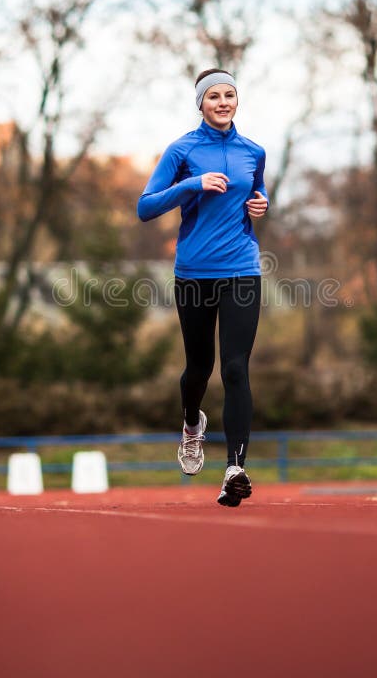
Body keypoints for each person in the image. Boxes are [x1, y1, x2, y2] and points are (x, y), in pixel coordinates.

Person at [137, 68, 269, 507]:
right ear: (200, 103)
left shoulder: (255, 151)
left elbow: (258, 190)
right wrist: (192, 184)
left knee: (235, 368)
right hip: (194, 273)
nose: (223, 102)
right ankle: (192, 426)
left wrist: (260, 202)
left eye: (229, 94)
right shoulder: (182, 150)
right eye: (214, 96)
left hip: (242, 270)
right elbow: (145, 207)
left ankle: (235, 468)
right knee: (199, 368)